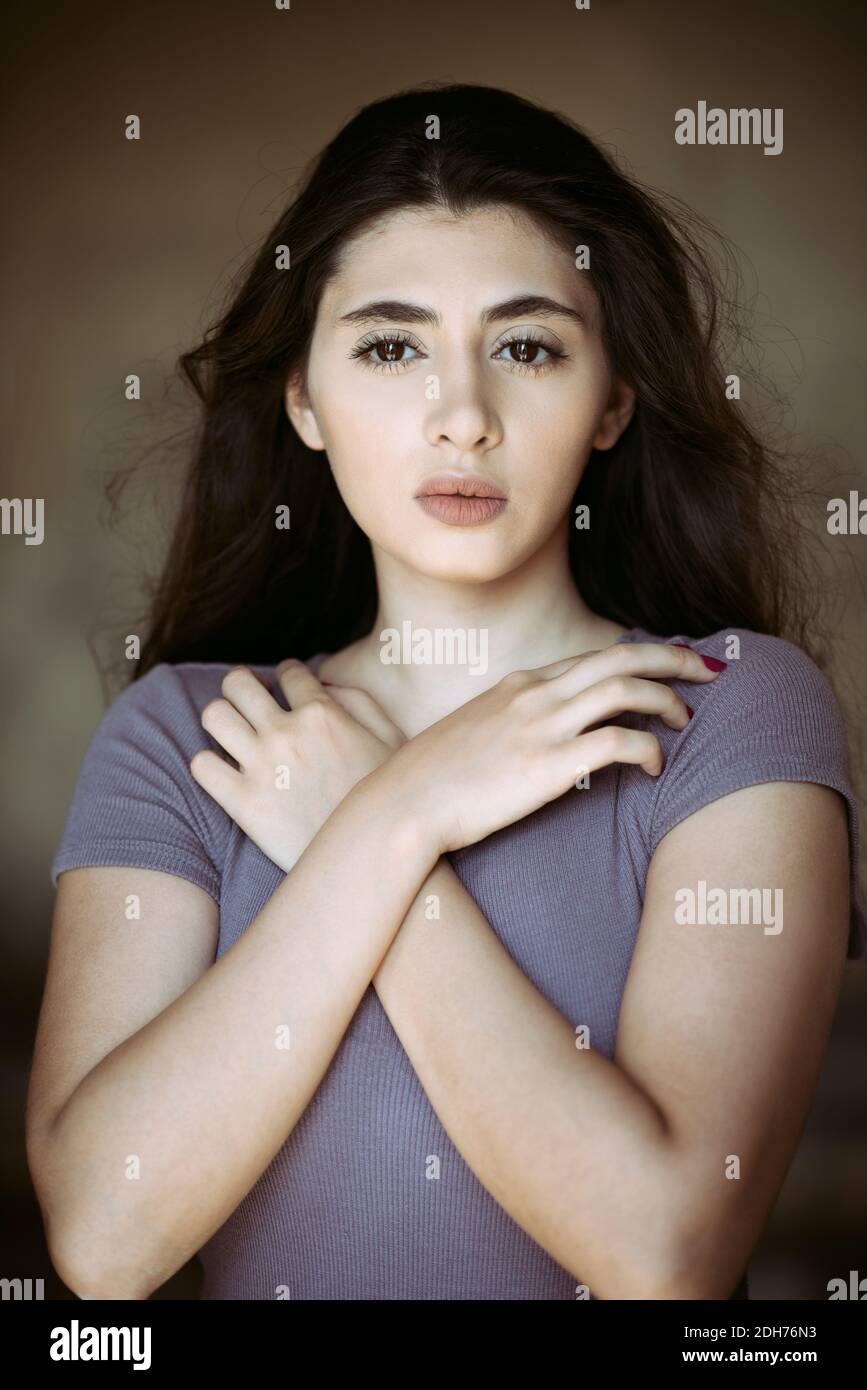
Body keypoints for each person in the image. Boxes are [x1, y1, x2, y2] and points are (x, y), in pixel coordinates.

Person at [27, 82, 866, 1302]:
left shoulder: (726, 711)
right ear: (303, 401)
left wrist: (368, 821)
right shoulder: (189, 733)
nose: (462, 417)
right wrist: (406, 807)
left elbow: (662, 1253)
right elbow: (106, 1241)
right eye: (390, 346)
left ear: (615, 396)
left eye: (526, 346)